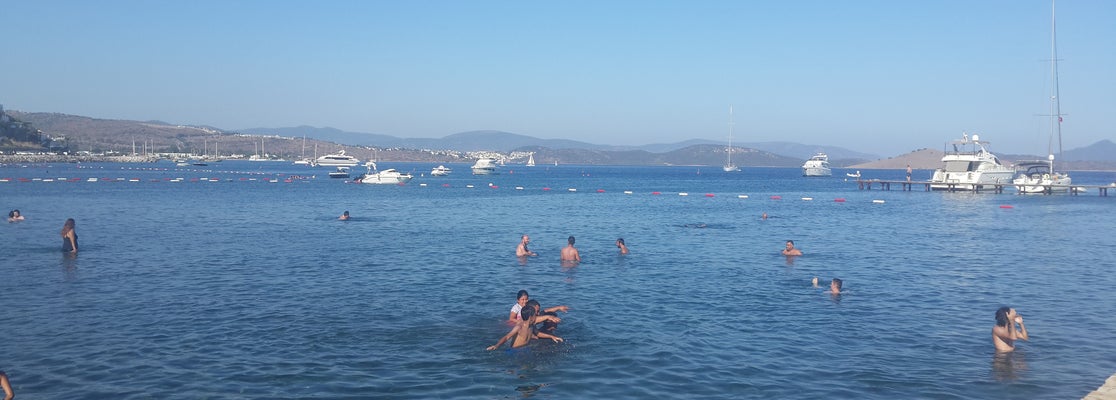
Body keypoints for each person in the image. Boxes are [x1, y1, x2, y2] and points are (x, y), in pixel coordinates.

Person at [486, 305, 563, 351]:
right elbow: (507, 337)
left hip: (525, 349)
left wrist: (552, 337)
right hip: (515, 351)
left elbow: (538, 333)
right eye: (535, 315)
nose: (536, 316)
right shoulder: (519, 327)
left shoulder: (531, 324)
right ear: (531, 317)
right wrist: (496, 346)